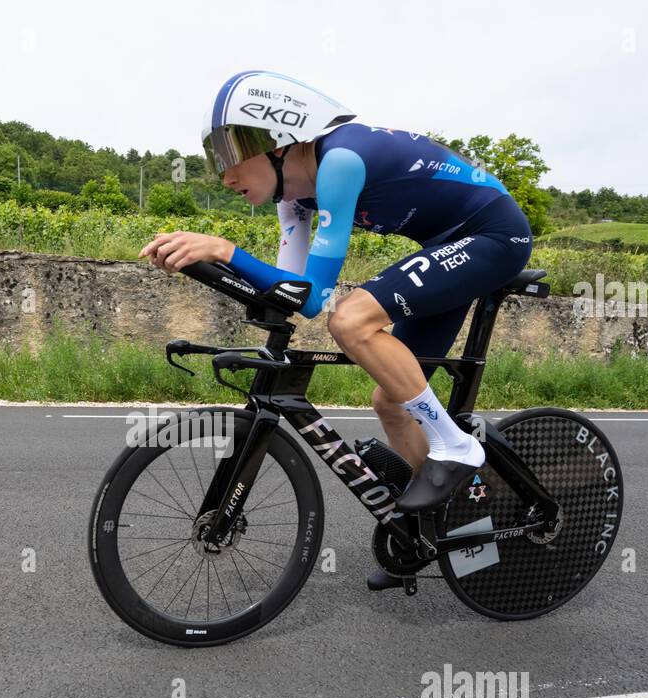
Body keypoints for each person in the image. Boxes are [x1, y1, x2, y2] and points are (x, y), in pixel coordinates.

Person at [139, 70, 534, 533]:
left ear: (281, 140)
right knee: (391, 401)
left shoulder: (341, 161)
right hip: (447, 248)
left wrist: (226, 250)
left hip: (495, 237)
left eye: (232, 154)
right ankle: (444, 530)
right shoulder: (294, 200)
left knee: (351, 320)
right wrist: (210, 268)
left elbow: (319, 300)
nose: (224, 176)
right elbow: (295, 295)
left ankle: (456, 446)